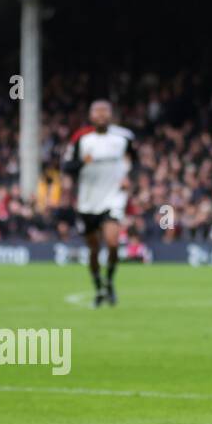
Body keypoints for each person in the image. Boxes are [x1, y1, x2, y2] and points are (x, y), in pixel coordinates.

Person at [61, 99, 135, 307]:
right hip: (88, 202)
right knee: (94, 249)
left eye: (105, 111)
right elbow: (66, 166)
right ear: (91, 115)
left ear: (111, 114)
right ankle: (98, 287)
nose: (101, 115)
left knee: (112, 243)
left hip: (113, 198)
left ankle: (110, 281)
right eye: (97, 112)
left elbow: (136, 161)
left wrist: (130, 177)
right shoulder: (81, 138)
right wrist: (81, 162)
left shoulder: (124, 137)